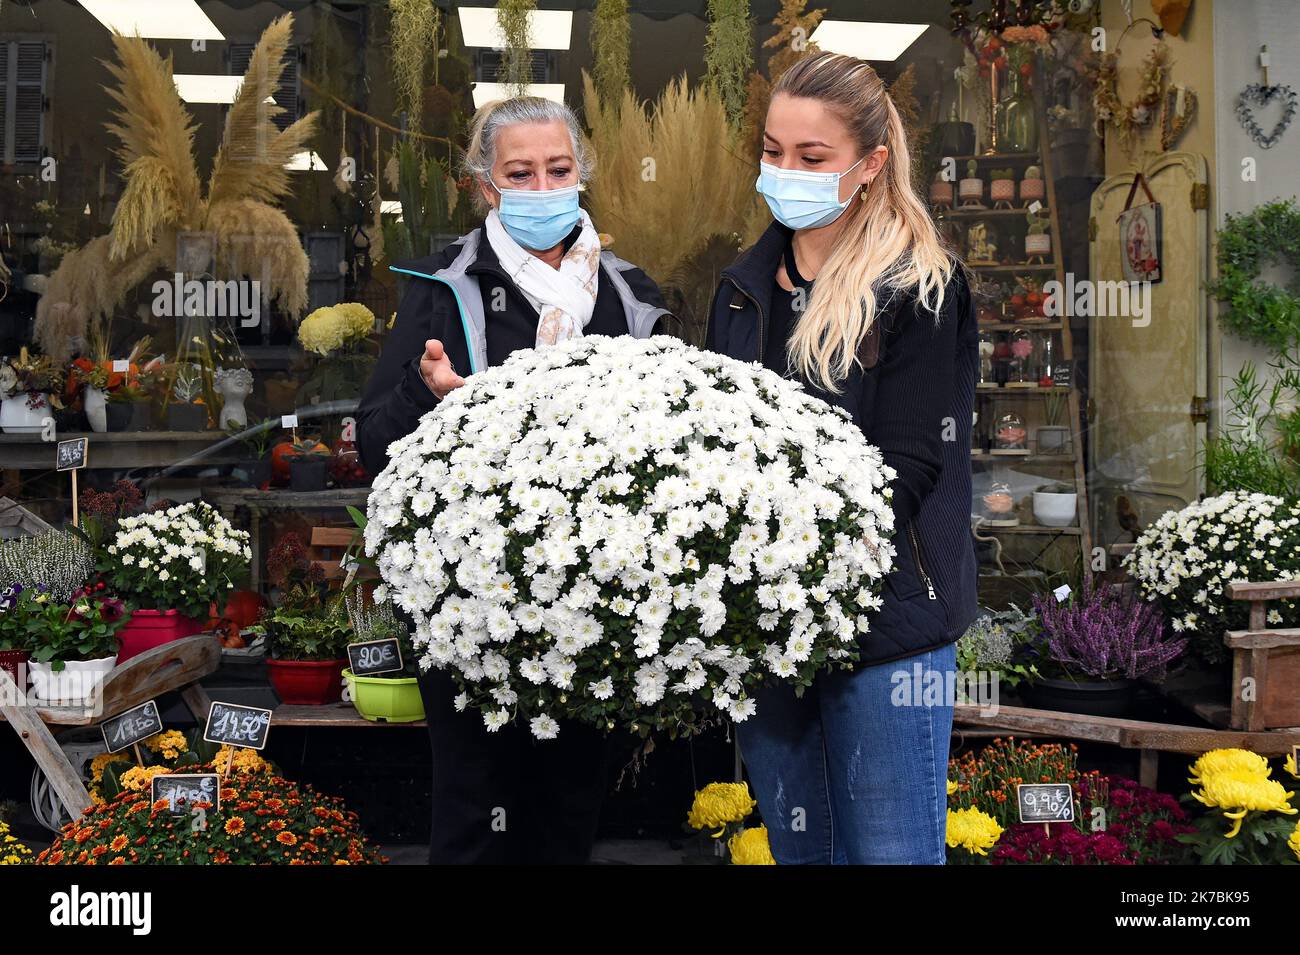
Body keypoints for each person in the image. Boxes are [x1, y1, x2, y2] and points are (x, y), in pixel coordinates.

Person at [356, 96, 671, 864]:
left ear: (581, 175)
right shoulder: (442, 285)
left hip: (596, 605)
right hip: (467, 607)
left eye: (557, 170)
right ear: (485, 185)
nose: (541, 186)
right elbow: (372, 444)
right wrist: (421, 395)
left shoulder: (632, 298)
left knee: (569, 810)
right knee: (475, 812)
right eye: (519, 172)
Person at [705, 52, 978, 864]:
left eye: (812, 157)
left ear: (871, 164)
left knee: (890, 854)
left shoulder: (919, 285)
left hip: (889, 620)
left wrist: (795, 556)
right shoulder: (743, 286)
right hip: (767, 631)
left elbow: (910, 460)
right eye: (773, 151)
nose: (785, 171)